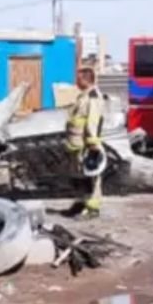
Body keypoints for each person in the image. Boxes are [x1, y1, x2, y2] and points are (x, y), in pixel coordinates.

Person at [65, 66, 106, 219]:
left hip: (86, 144)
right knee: (79, 176)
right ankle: (80, 203)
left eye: (78, 79)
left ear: (85, 80)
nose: (76, 81)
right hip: (77, 143)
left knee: (91, 176)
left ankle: (92, 208)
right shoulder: (83, 96)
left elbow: (92, 121)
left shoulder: (93, 97)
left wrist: (92, 143)